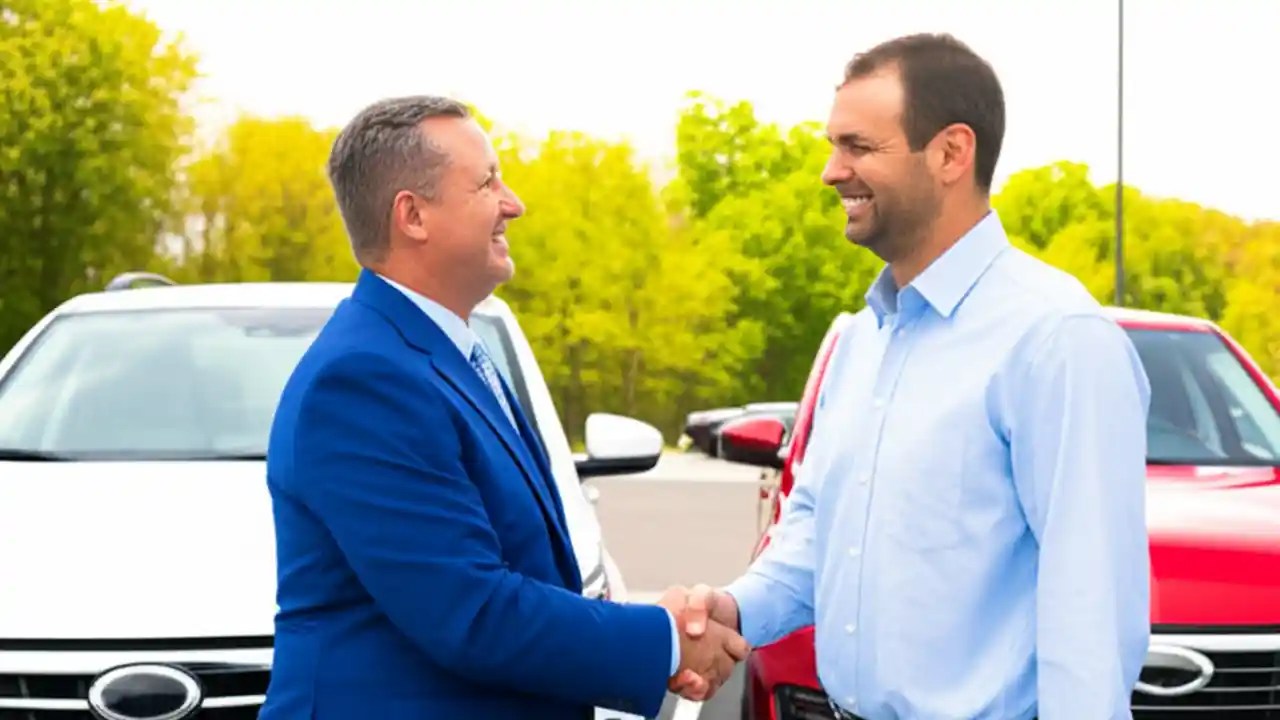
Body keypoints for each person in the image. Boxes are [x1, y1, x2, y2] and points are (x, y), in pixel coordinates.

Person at [671, 33, 1152, 719]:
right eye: (833, 146)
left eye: (859, 147)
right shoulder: (863, 339)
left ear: (952, 153)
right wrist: (734, 607)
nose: (831, 172)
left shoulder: (1055, 338)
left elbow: (1091, 611)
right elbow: (817, 534)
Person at [259, 95, 748, 720]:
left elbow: (523, 576)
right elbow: (468, 612)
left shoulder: (446, 354)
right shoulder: (365, 379)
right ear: (412, 215)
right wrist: (665, 639)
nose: (512, 203)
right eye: (487, 182)